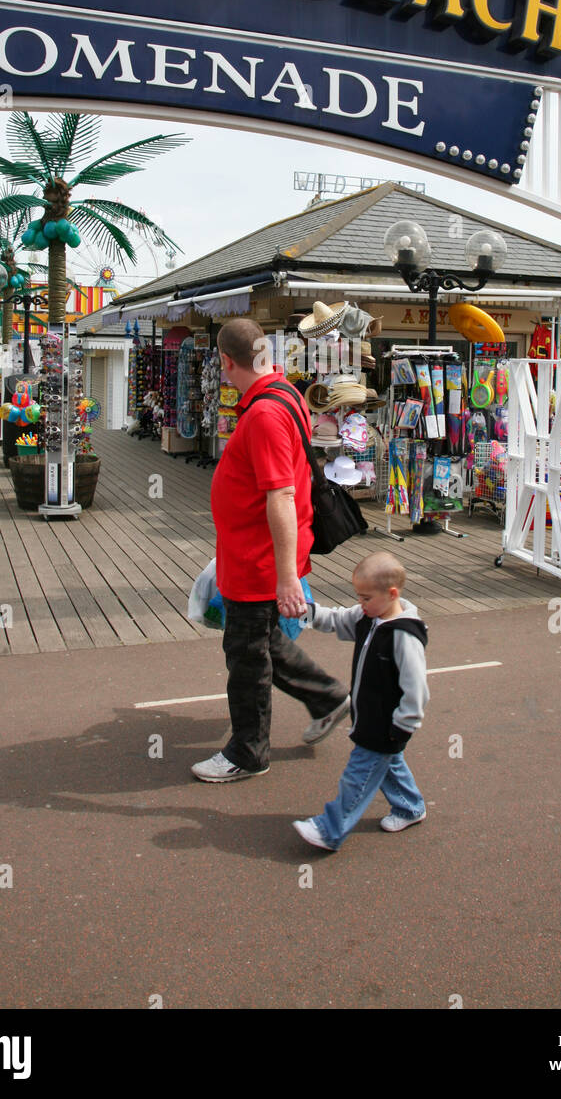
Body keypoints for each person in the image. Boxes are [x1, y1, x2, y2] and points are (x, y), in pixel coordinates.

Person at [192, 318, 350, 782]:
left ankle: (248, 752)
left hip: (257, 561)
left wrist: (285, 578)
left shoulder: (263, 413)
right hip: (255, 554)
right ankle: (329, 698)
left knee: (245, 655)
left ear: (225, 362)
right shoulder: (283, 392)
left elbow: (279, 494)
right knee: (262, 641)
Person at [293, 552, 428, 850]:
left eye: (366, 598)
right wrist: (307, 613)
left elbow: (416, 689)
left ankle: (330, 830)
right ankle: (410, 807)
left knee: (358, 776)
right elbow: (338, 618)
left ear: (392, 594)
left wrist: (404, 726)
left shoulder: (404, 636)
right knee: (388, 766)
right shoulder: (368, 617)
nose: (361, 604)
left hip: (385, 725)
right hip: (368, 717)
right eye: (359, 597)